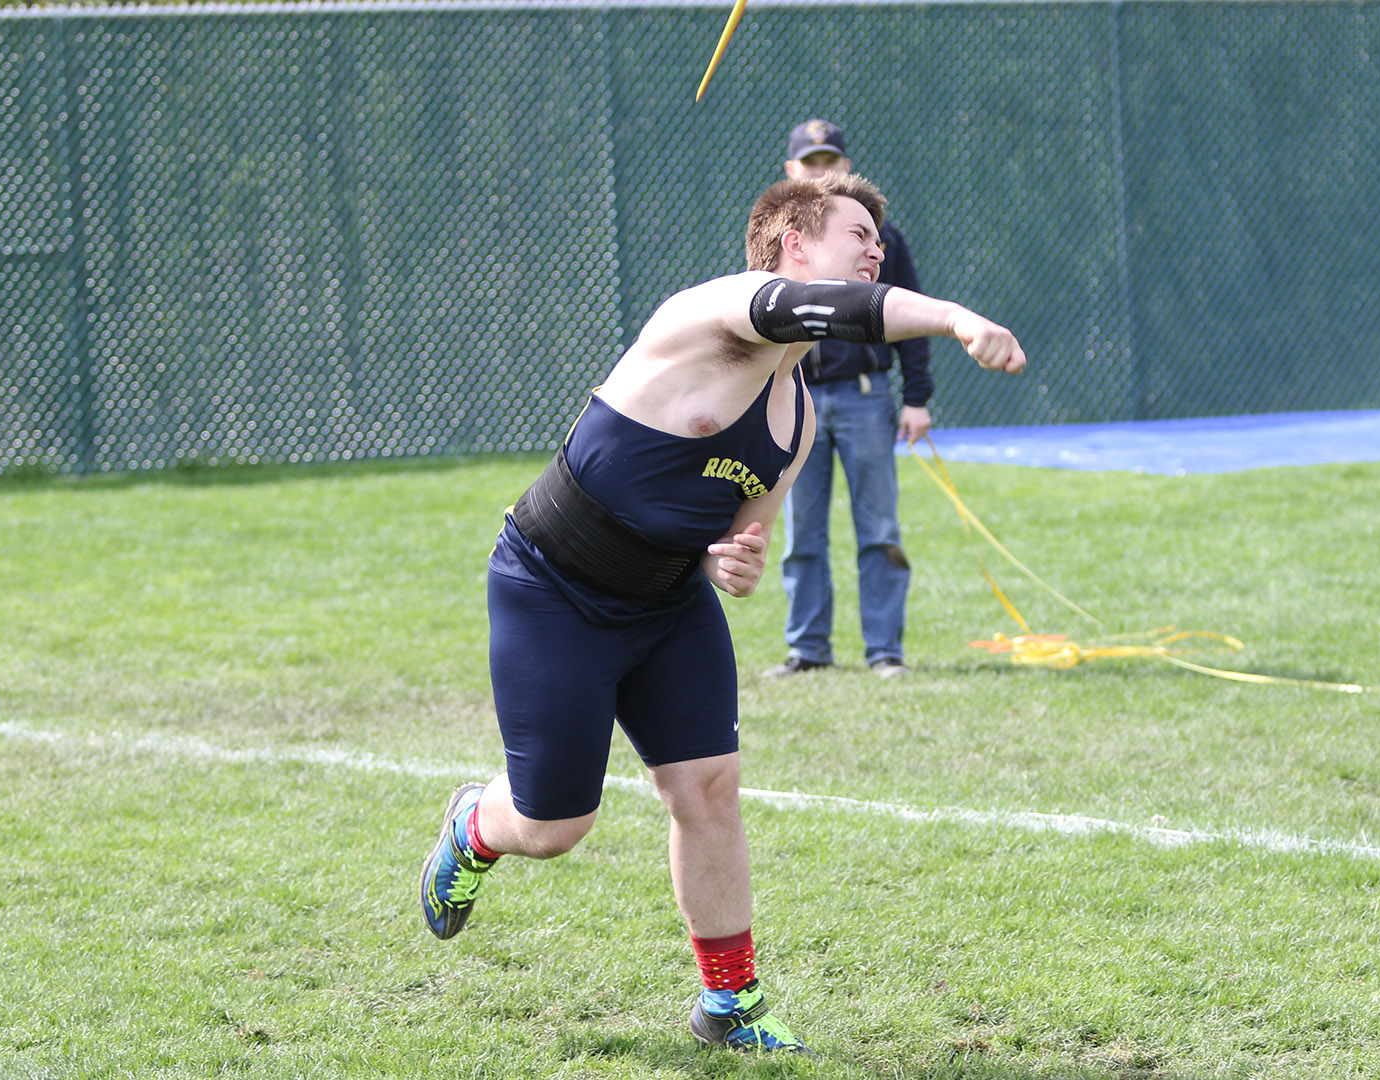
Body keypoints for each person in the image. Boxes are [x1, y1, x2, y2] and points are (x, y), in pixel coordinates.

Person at [417, 173, 1026, 1054]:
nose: (875, 248)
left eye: (878, 240)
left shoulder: (797, 417)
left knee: (707, 789)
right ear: (792, 247)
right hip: (553, 583)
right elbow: (836, 308)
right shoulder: (718, 312)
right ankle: (477, 823)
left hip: (668, 602)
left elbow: (743, 548)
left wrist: (735, 562)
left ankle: (729, 1005)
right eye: (856, 232)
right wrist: (956, 318)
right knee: (554, 826)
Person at [765, 119, 934, 680]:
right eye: (810, 162)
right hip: (798, 400)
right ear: (792, 172)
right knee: (801, 533)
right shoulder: (780, 245)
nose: (822, 170)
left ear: (845, 166)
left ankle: (885, 651)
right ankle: (807, 650)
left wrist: (917, 398)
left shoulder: (879, 239)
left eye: (830, 160)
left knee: (879, 529)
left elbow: (910, 314)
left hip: (865, 399)